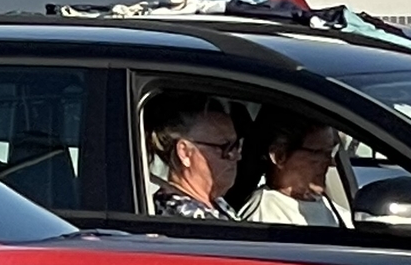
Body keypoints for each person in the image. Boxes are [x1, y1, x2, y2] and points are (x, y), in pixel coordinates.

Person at [237, 112, 351, 227]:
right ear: (279, 156)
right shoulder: (263, 215)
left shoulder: (334, 209)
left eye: (329, 152)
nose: (331, 163)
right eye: (318, 153)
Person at [142, 92, 240, 220]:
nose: (237, 156)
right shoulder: (180, 215)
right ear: (185, 152)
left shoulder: (216, 203)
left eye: (237, 145)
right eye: (225, 147)